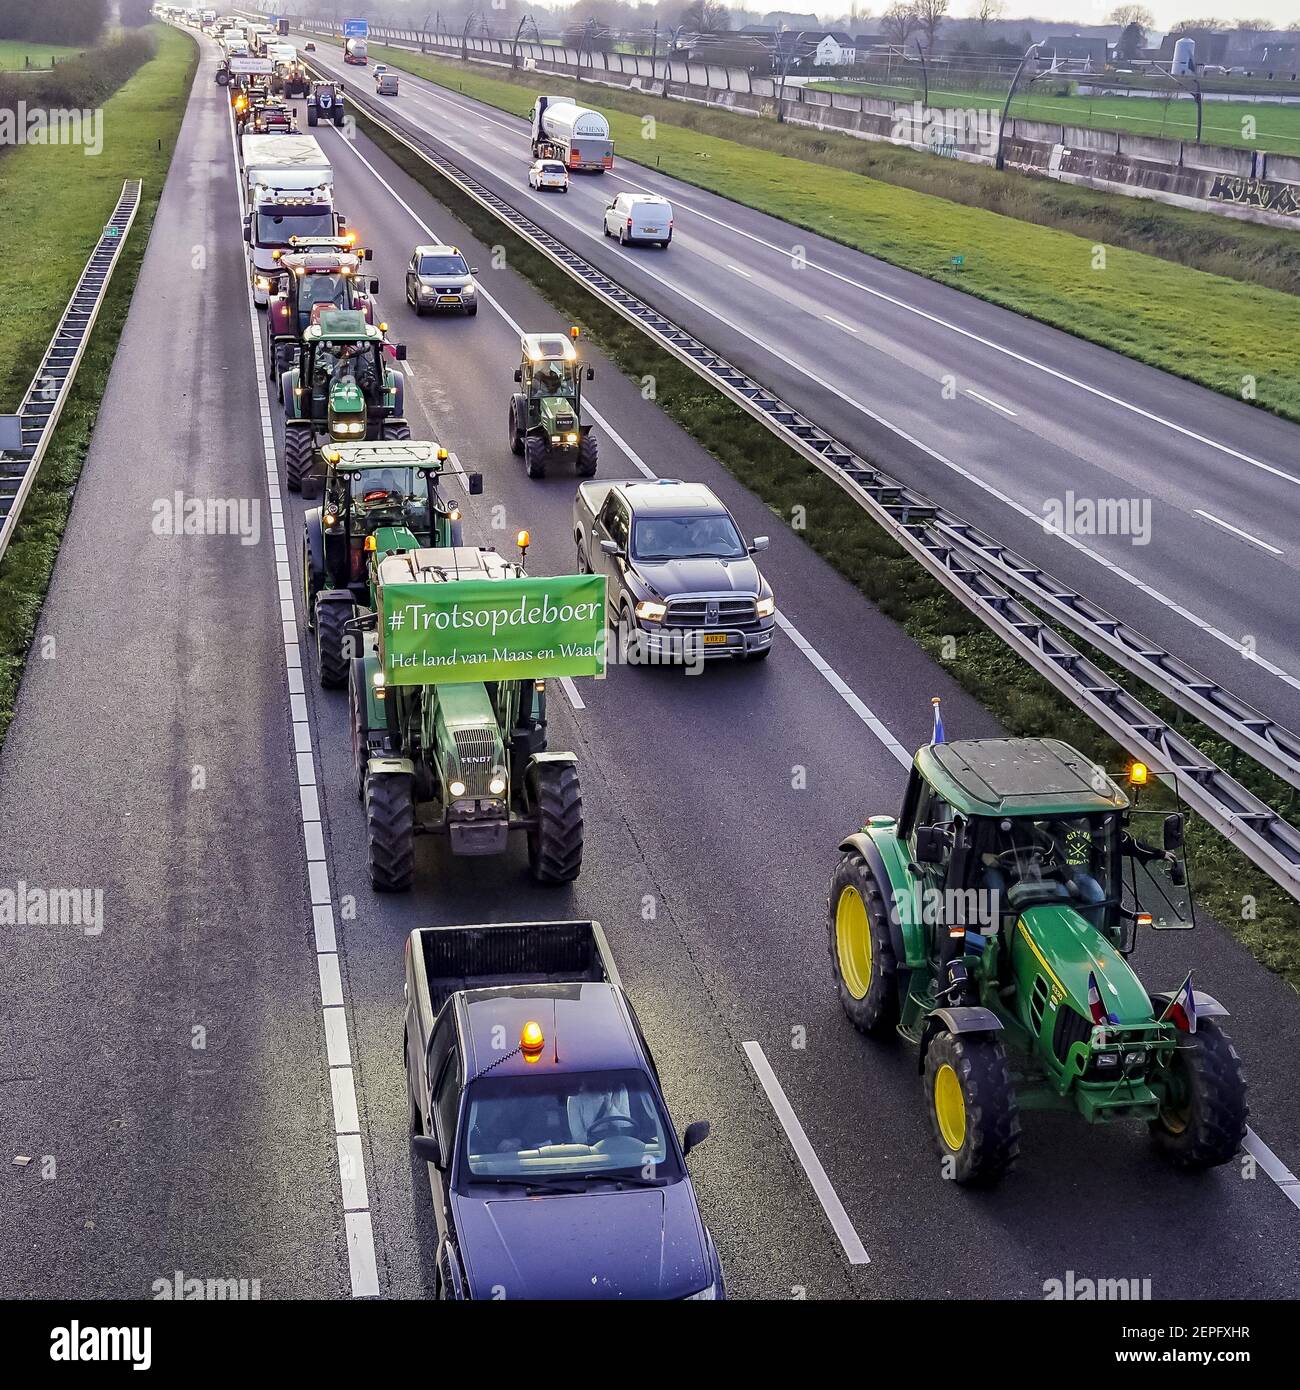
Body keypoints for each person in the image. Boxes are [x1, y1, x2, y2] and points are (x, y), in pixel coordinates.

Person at [568, 1076, 632, 1145]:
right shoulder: (575, 1098)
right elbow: (578, 1137)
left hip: (618, 1146)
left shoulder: (620, 1090)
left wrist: (610, 1107)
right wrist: (603, 1135)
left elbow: (627, 1125)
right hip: (590, 1150)